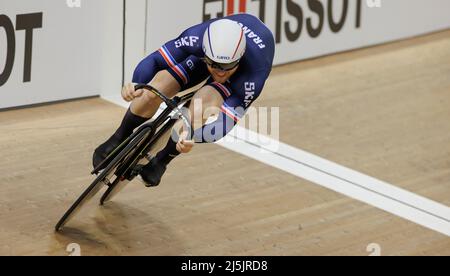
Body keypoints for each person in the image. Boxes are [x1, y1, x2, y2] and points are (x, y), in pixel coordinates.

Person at [93, 13, 275, 187]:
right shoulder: (195, 37)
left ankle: (162, 161)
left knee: (198, 109)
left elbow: (223, 125)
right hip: (207, 58)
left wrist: (192, 136)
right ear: (204, 51)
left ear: (239, 57)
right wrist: (136, 84)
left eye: (227, 66)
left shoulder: (254, 75)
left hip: (242, 73)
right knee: (151, 91)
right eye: (214, 64)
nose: (220, 72)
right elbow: (155, 60)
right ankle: (118, 137)